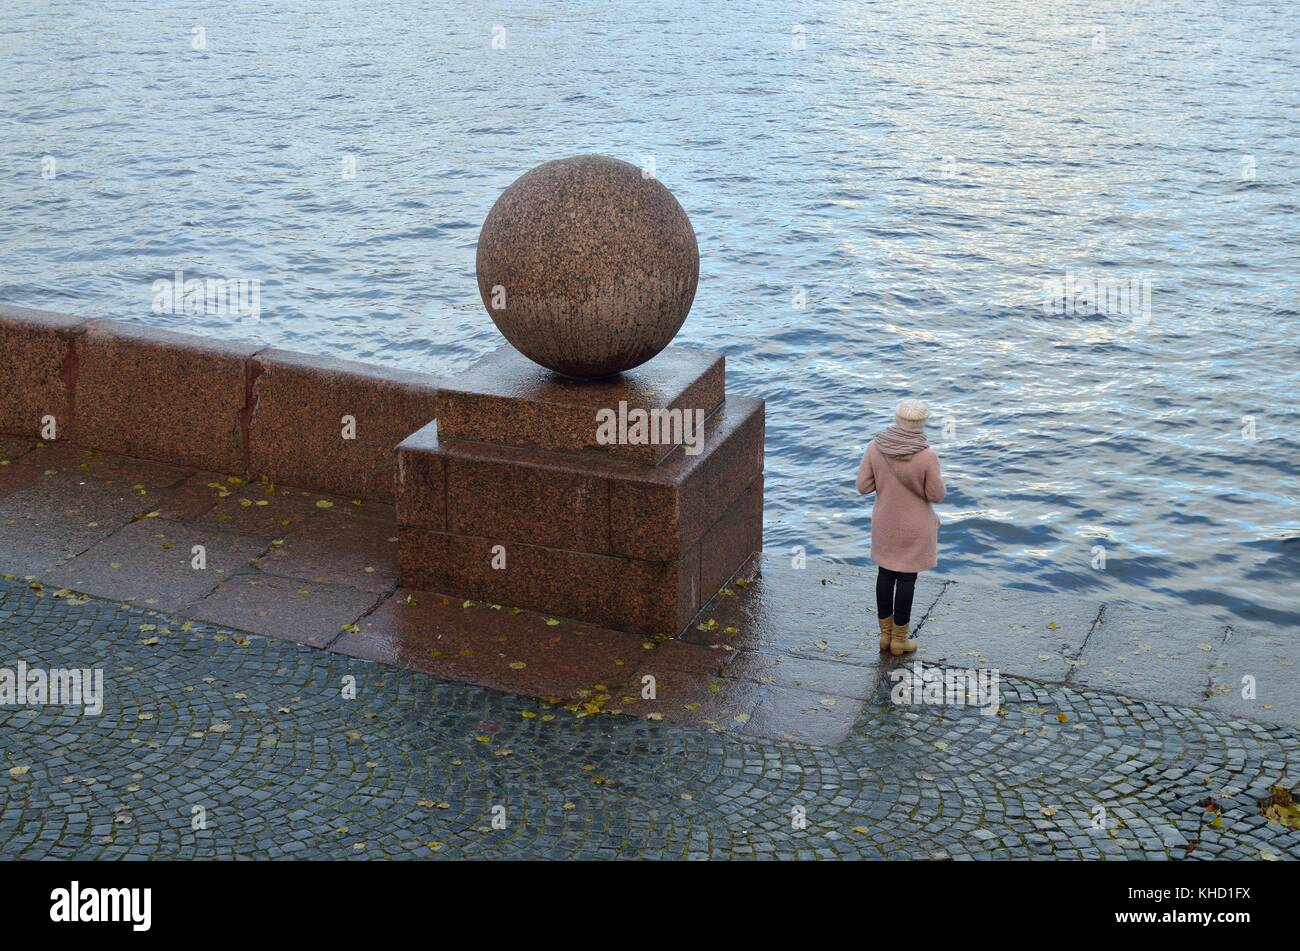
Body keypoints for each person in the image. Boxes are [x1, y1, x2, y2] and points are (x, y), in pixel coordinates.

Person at [855, 399, 946, 656]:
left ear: (897, 419)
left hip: (885, 522)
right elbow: (935, 494)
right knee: (907, 578)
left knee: (885, 575)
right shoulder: (927, 455)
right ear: (922, 423)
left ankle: (885, 637)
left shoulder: (875, 447)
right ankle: (900, 641)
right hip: (916, 527)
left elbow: (863, 486)